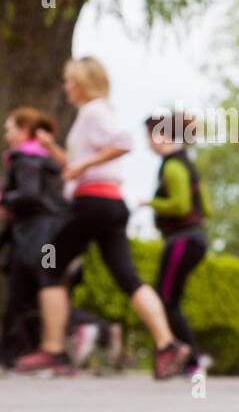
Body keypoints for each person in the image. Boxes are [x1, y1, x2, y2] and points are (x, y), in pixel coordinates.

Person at [14, 57, 191, 378]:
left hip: (92, 201)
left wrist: (80, 168)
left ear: (82, 82)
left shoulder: (94, 111)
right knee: (128, 278)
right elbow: (80, 163)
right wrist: (55, 150)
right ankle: (168, 345)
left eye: (69, 80)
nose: (65, 86)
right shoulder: (95, 114)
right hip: (111, 203)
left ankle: (54, 351)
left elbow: (123, 143)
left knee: (48, 264)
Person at [145, 111, 211, 376]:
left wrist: (150, 202)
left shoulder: (172, 166)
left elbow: (181, 204)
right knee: (170, 300)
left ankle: (192, 360)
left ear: (161, 135)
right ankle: (188, 359)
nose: (148, 144)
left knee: (165, 301)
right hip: (195, 238)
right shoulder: (187, 164)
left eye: (148, 137)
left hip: (181, 239)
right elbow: (207, 207)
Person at [1, 108, 67, 367]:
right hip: (50, 233)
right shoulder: (46, 161)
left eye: (10, 129)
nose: (7, 135)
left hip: (36, 234)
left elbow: (29, 194)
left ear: (24, 129)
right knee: (47, 283)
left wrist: (4, 198)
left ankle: (14, 354)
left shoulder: (26, 159)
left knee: (32, 287)